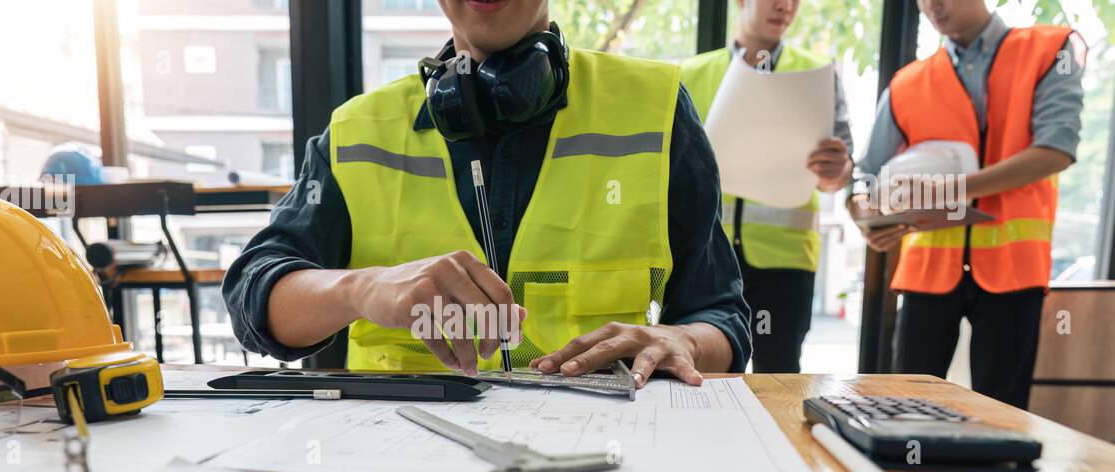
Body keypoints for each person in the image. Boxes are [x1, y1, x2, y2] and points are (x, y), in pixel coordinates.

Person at [222, 0, 750, 388]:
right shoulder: (359, 130)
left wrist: (682, 341)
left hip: (600, 467)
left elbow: (723, 321)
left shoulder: (654, 109)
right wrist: (364, 289)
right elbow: (254, 299)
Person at [852, 0, 1085, 409]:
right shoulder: (907, 83)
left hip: (1014, 273)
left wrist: (950, 188)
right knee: (903, 409)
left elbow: (1056, 149)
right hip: (928, 273)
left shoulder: (1051, 49)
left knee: (1004, 417)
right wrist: (867, 217)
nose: (932, 6)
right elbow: (866, 175)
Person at [679, 0, 854, 373]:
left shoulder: (819, 74)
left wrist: (836, 170)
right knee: (702, 377)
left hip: (784, 264)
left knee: (779, 378)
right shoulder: (689, 74)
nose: (784, 6)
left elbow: (839, 176)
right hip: (706, 260)